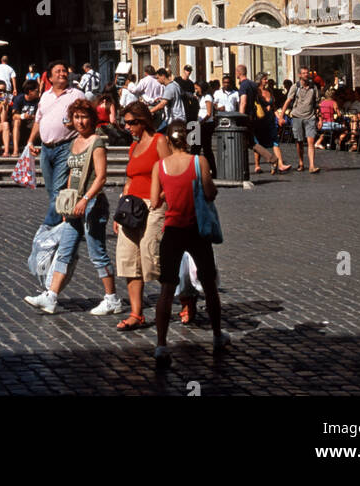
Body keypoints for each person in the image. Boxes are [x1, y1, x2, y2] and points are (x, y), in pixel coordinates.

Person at [24, 99, 121, 317]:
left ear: (92, 119)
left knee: (97, 252)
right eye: (76, 117)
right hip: (74, 206)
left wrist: (85, 199)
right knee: (65, 251)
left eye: (84, 117)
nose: (80, 121)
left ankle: (112, 298)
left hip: (93, 204)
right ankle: (51, 296)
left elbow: (101, 177)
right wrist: (68, 203)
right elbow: (70, 176)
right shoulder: (74, 142)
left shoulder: (96, 143)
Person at [151, 119, 229, 370]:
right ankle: (217, 335)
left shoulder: (159, 166)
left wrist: (168, 191)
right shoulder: (199, 162)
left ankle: (161, 345)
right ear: (187, 139)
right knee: (208, 285)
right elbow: (209, 193)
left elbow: (154, 202)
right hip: (196, 230)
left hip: (172, 230)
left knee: (166, 288)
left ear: (169, 141)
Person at [113, 101, 171, 332]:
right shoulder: (132, 147)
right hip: (132, 208)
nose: (127, 127)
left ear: (143, 121)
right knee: (128, 260)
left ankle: (183, 297)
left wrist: (163, 197)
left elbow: (171, 172)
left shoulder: (159, 141)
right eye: (125, 123)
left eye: (131, 123)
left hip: (155, 204)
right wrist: (119, 214)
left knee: (151, 255)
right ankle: (136, 313)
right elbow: (129, 181)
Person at [28, 60, 85, 227]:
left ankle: (49, 227)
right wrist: (31, 140)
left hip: (66, 146)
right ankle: (65, 222)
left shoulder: (76, 94)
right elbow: (38, 120)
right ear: (50, 78)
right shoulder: (45, 96)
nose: (62, 74)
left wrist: (74, 123)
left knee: (57, 189)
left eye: (64, 71)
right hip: (46, 148)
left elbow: (86, 118)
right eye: (58, 72)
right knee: (50, 189)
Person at [236, 65, 277, 173]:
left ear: (238, 73)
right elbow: (259, 100)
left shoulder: (243, 85)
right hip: (253, 117)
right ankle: (272, 159)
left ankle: (241, 168)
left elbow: (243, 102)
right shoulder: (253, 85)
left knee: (244, 142)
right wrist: (268, 103)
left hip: (246, 118)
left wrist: (240, 118)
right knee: (251, 143)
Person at [282, 68, 321, 173]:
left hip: (310, 117)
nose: (306, 75)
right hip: (297, 117)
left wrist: (320, 119)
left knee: (311, 141)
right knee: (299, 142)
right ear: (299, 75)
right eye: (304, 73)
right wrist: (281, 116)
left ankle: (312, 165)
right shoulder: (295, 87)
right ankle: (301, 162)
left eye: (307, 73)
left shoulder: (314, 87)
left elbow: (317, 104)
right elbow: (288, 101)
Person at [255, 73, 291, 173]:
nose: (267, 81)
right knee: (258, 143)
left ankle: (280, 164)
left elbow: (274, 107)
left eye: (266, 79)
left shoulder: (269, 91)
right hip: (259, 121)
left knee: (275, 142)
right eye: (265, 79)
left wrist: (279, 118)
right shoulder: (256, 92)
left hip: (270, 120)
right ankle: (257, 165)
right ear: (259, 80)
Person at [9, 81, 40, 158]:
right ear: (30, 91)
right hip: (20, 124)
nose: (38, 92)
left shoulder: (38, 100)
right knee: (17, 121)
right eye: (37, 91)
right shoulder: (19, 98)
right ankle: (15, 149)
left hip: (32, 124)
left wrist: (32, 117)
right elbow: (14, 116)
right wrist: (23, 116)